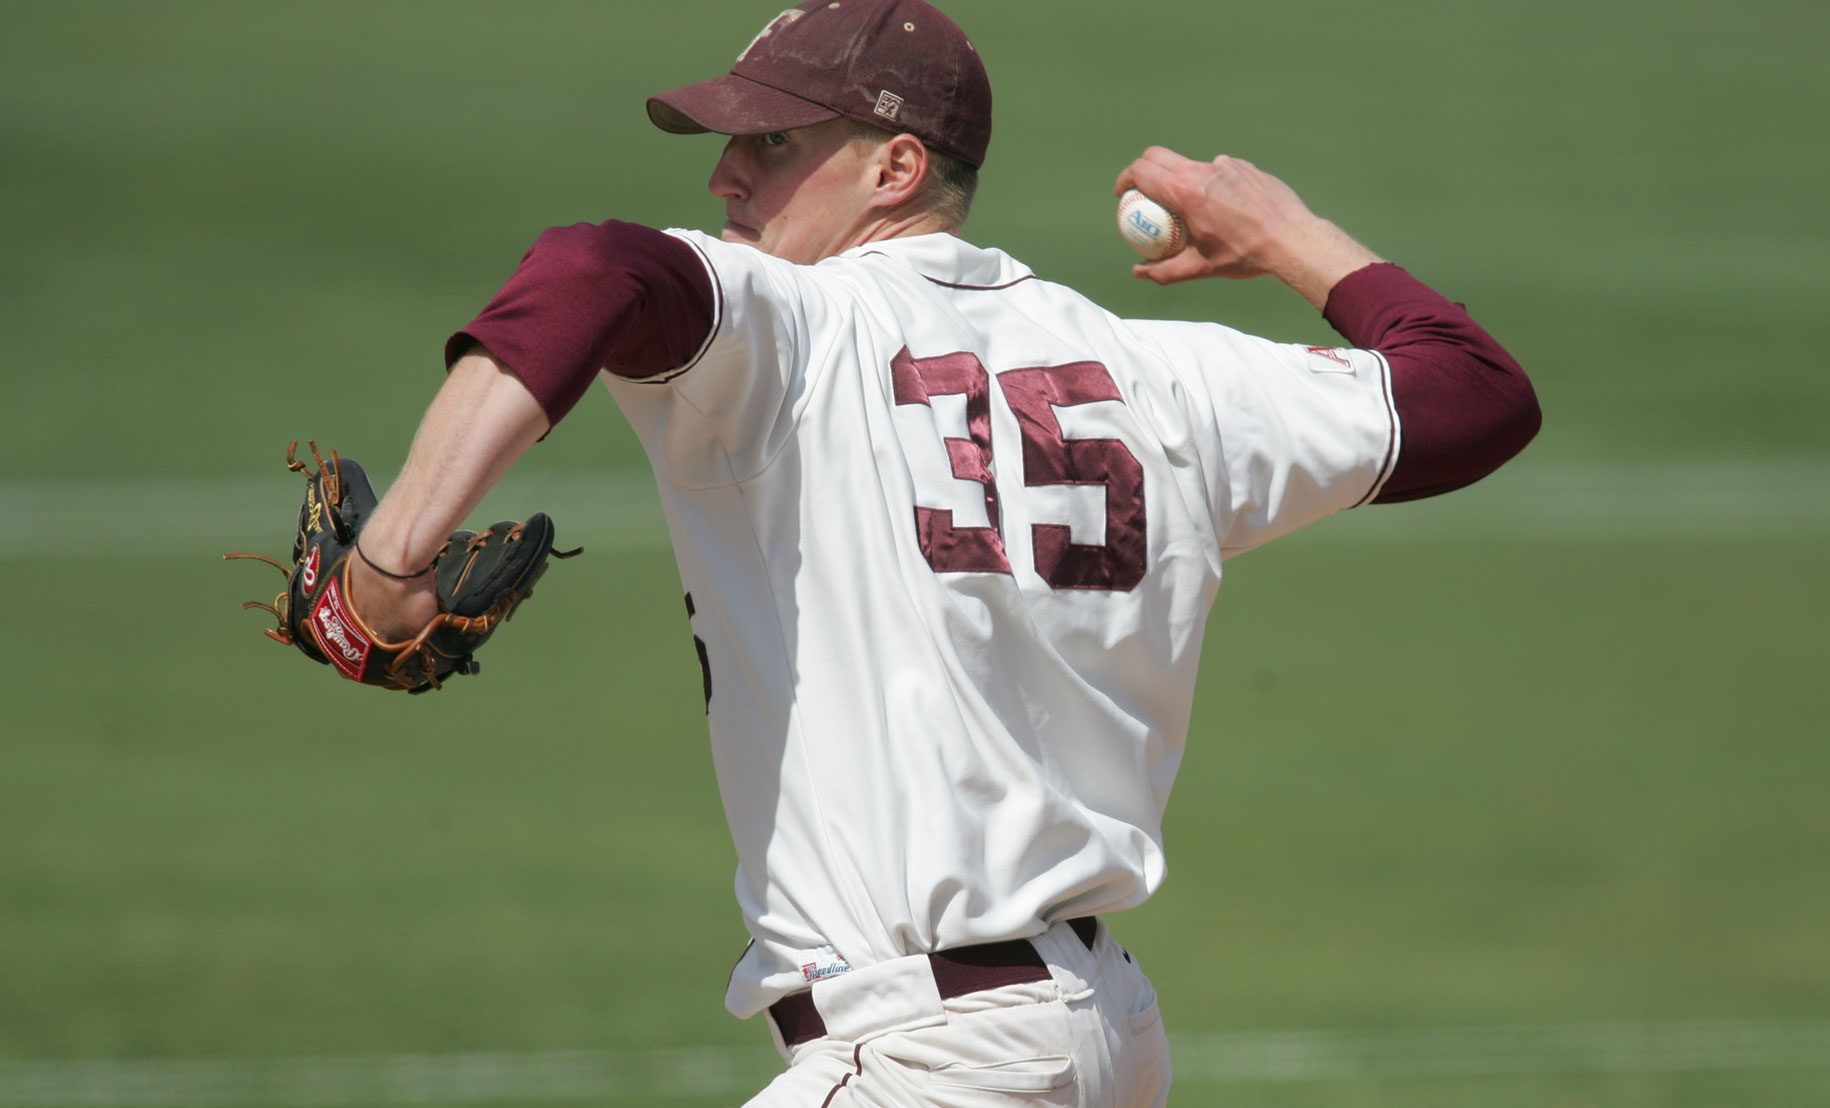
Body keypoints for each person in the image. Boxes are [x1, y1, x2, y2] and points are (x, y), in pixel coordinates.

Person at [342, 1, 1539, 1104]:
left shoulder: (795, 328)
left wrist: (388, 562)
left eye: (770, 143)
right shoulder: (1164, 378)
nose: (723, 173)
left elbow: (587, 270)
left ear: (895, 168)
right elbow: (1472, 394)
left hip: (933, 1058)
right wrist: (1285, 234)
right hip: (1095, 1030)